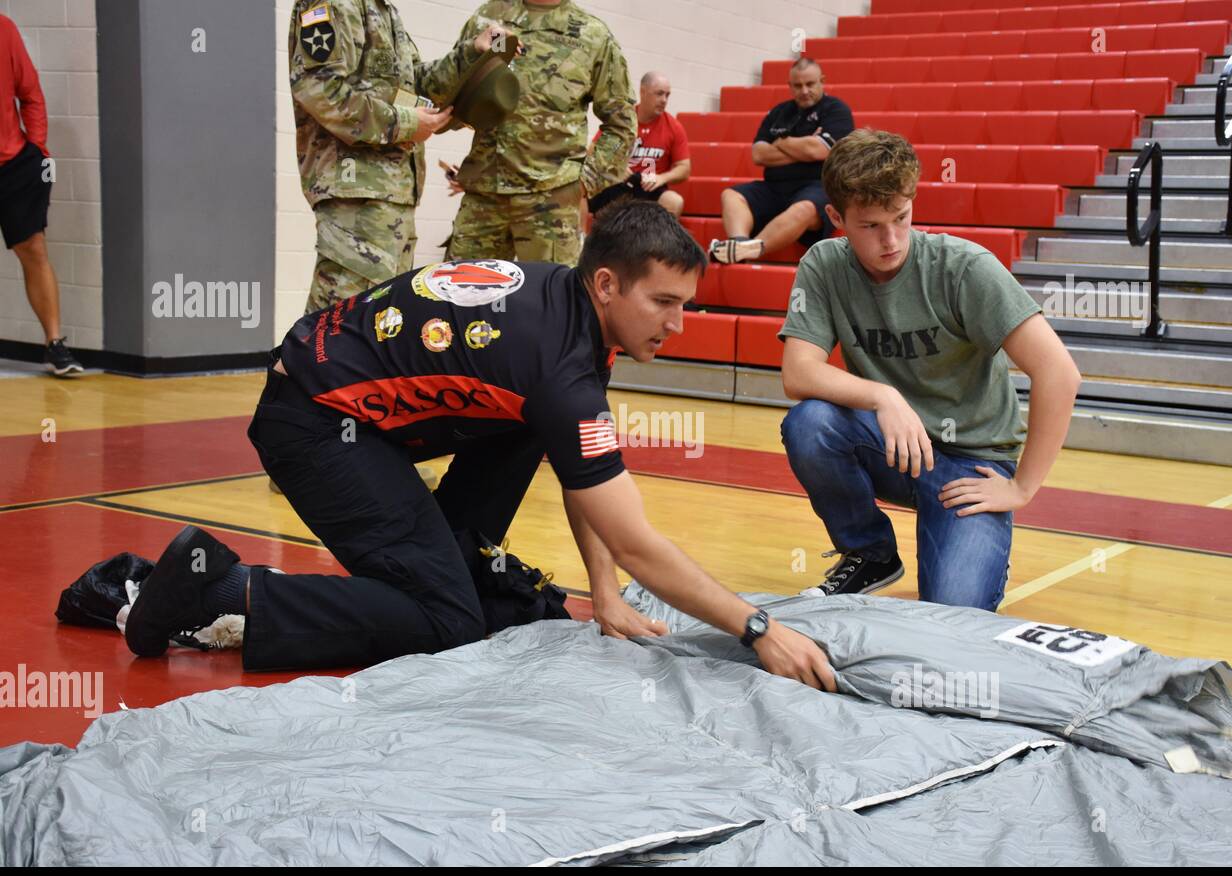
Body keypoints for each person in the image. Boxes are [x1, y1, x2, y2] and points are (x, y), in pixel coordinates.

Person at [124, 203, 836, 693]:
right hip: (312, 422)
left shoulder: (570, 305)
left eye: (686, 305)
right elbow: (638, 539)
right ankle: (221, 587)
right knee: (450, 622)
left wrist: (608, 592)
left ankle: (458, 560)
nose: (678, 325)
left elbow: (580, 470)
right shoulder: (559, 367)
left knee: (527, 433)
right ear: (610, 284)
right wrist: (757, 628)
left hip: (347, 399)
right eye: (665, 304)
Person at [779, 129, 1082, 612]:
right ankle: (870, 553)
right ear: (835, 218)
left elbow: (1059, 373)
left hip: (970, 466)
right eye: (871, 225)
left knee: (952, 615)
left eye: (901, 218)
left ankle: (949, 539)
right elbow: (798, 373)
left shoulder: (962, 267)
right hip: (893, 445)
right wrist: (885, 397)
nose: (891, 239)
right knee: (810, 423)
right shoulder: (824, 264)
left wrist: (1023, 487)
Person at [289, 0, 503, 312]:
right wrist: (407, 123)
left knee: (381, 323)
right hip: (355, 191)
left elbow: (417, 87)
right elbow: (321, 90)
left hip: (394, 194)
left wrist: (470, 52)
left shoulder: (385, 11)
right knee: (342, 323)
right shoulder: (333, 3)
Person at [444, 0, 637, 266]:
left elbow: (622, 123)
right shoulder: (489, 17)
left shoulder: (591, 35)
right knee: (462, 298)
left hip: (551, 203)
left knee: (549, 302)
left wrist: (585, 183)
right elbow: (452, 89)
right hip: (484, 196)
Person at [709, 57, 853, 265]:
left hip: (817, 187)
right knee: (731, 195)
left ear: (822, 80)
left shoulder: (836, 110)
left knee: (803, 208)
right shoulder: (780, 112)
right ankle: (739, 243)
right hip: (774, 188)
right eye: (797, 85)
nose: (804, 91)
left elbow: (818, 151)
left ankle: (749, 251)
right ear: (790, 86)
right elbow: (758, 154)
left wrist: (780, 141)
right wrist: (804, 145)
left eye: (810, 84)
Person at [0, 13, 81, 376]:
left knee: (33, 249)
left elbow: (30, 95)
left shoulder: (4, 29)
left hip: (14, 163)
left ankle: (55, 345)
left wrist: (38, 150)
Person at [587, 71, 690, 219]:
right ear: (643, 92)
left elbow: (684, 168)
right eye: (659, 94)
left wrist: (662, 178)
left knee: (675, 201)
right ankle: (584, 237)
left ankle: (656, 242)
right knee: (580, 188)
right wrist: (615, 167)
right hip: (618, 184)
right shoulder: (622, 120)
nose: (664, 100)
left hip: (650, 188)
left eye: (667, 95)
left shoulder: (673, 127)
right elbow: (592, 151)